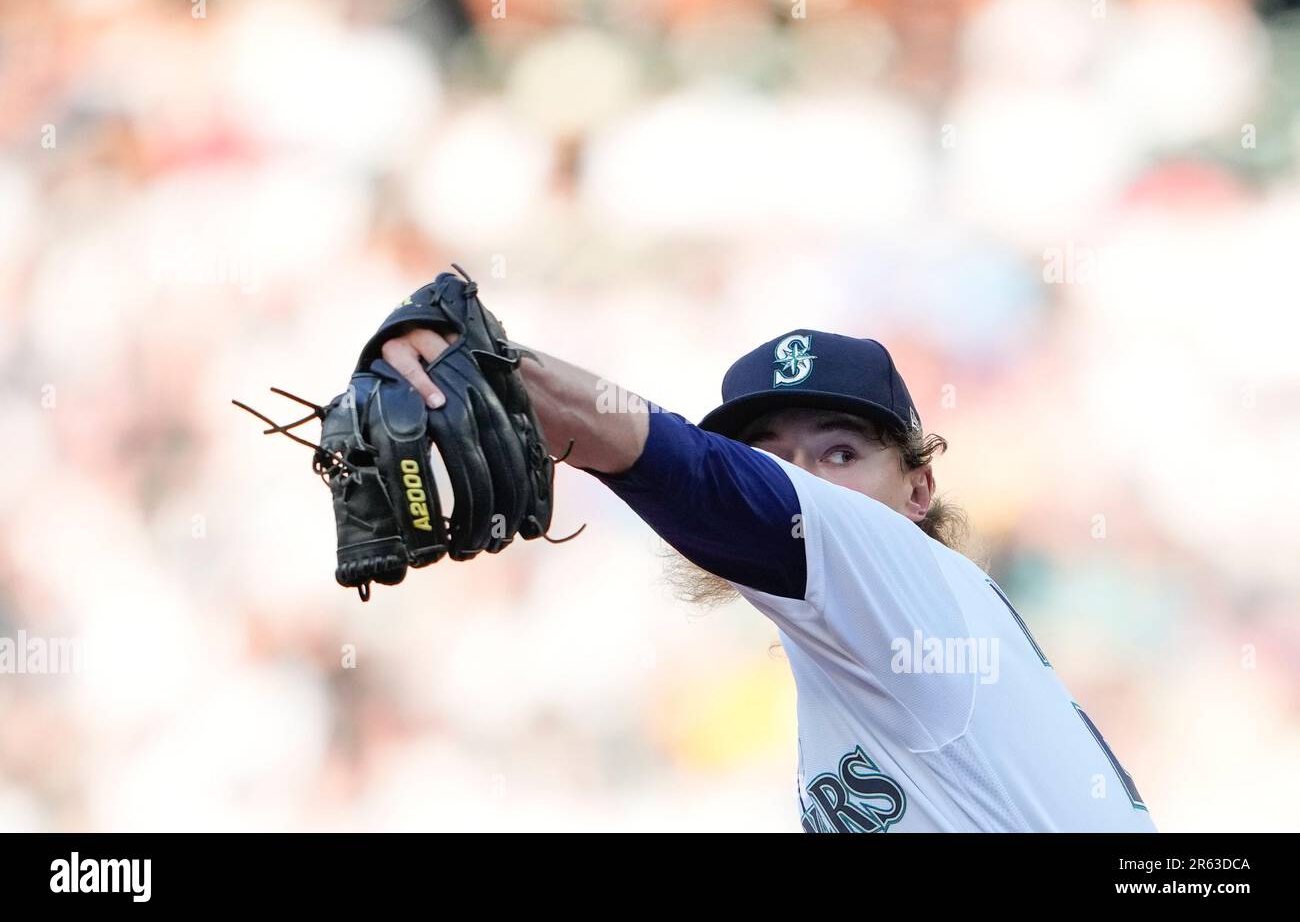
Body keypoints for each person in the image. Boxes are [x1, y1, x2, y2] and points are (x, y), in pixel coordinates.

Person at [381, 324, 1157, 833]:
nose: (807, 483)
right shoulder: (878, 648)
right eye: (772, 457)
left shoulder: (908, 583)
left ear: (918, 491)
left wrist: (485, 362)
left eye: (842, 453)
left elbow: (695, 472)